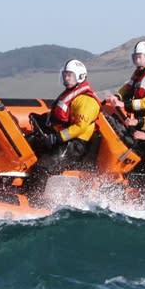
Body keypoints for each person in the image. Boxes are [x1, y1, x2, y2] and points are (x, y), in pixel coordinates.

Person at [24, 59, 101, 195]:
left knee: (43, 167)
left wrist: (57, 137)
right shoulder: (71, 95)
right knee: (29, 145)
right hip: (62, 140)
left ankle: (33, 200)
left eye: (69, 75)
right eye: (65, 74)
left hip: (75, 145)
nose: (66, 77)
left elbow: (80, 127)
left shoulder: (87, 101)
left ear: (80, 76)